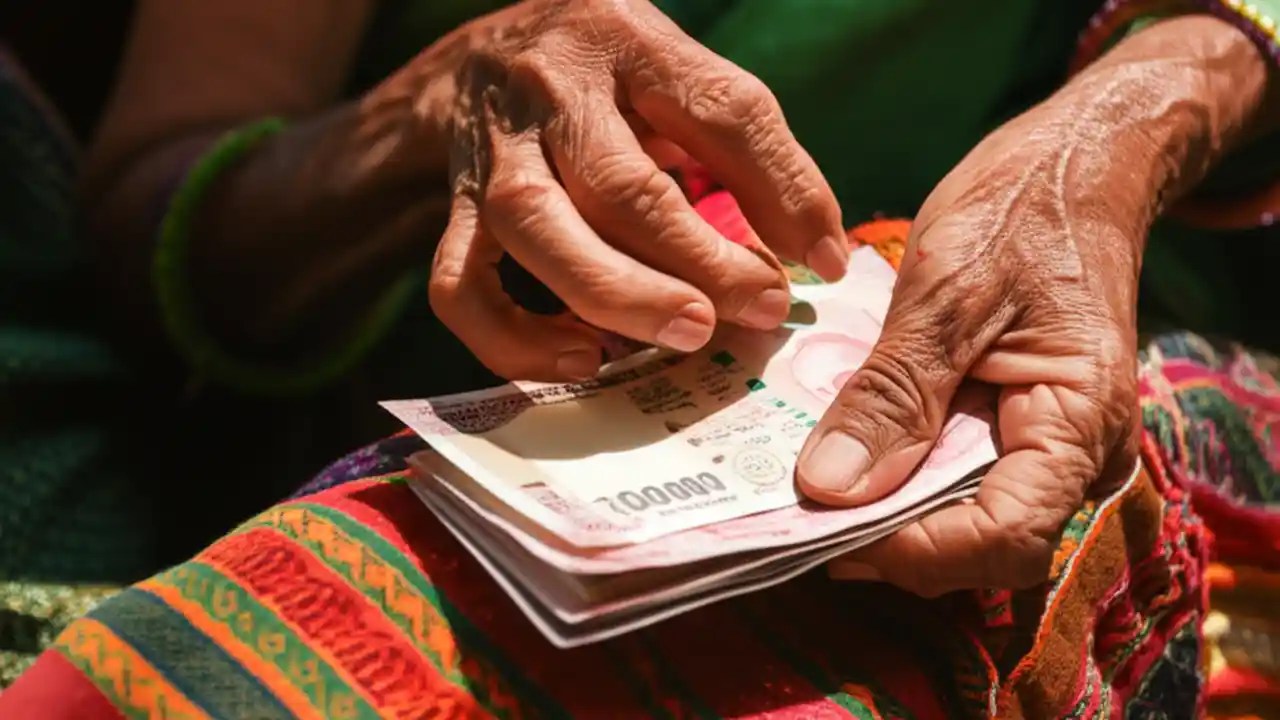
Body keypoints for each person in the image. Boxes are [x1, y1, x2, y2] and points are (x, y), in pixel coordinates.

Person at [1, 0, 1278, 717]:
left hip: (1088, 321)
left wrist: (1143, 106)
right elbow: (159, 214)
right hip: (465, 440)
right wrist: (437, 103)